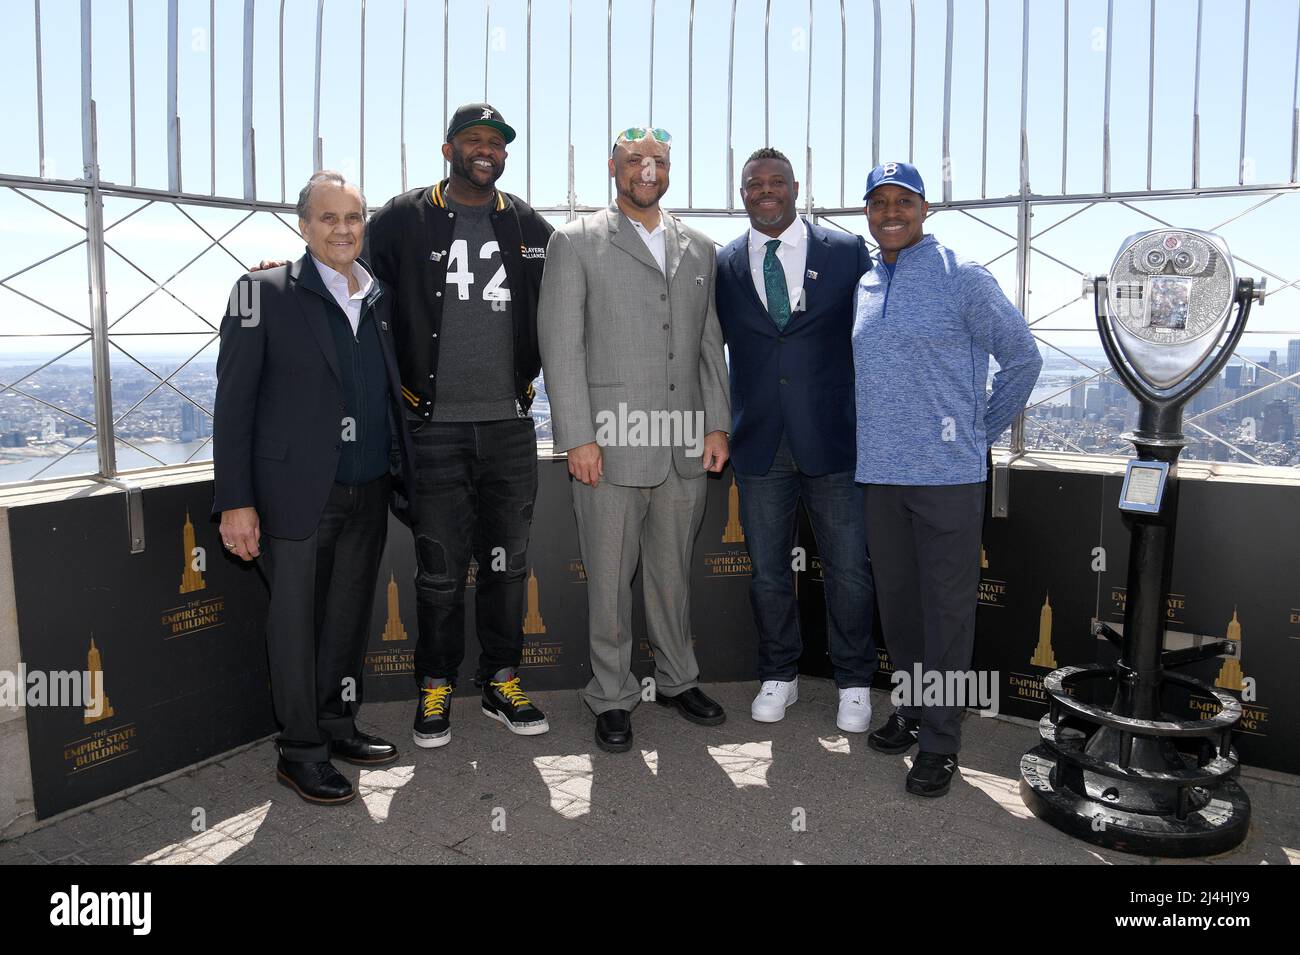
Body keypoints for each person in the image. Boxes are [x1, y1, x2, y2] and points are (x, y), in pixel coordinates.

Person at [213, 171, 415, 805]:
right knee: (296, 623)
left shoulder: (376, 295)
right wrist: (235, 501)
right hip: (294, 494)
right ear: (303, 226)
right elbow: (233, 404)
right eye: (328, 219)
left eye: (353, 218)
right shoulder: (261, 291)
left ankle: (336, 724)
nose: (343, 229)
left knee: (347, 619)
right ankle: (298, 750)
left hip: (367, 488)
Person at [363, 104, 556, 747]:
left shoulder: (527, 223)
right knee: (440, 571)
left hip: (509, 428)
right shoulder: (400, 218)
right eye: (473, 140)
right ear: (447, 149)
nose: (486, 150)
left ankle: (501, 679)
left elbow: (574, 295)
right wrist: (276, 273)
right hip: (432, 428)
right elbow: (347, 275)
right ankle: (436, 683)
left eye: (496, 143)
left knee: (508, 567)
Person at [537, 126, 732, 753]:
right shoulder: (574, 241)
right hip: (610, 443)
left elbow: (710, 346)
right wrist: (578, 438)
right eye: (634, 160)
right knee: (610, 578)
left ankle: (678, 680)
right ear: (613, 167)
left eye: (659, 161)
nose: (647, 170)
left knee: (673, 576)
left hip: (683, 441)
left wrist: (718, 424)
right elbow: (560, 348)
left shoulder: (700, 247)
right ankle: (613, 695)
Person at [853, 161, 1042, 797]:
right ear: (868, 214)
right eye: (878, 203)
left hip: (946, 480)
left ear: (925, 208)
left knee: (948, 615)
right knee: (901, 610)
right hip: (880, 477)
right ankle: (910, 710)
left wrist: (973, 434)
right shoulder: (865, 284)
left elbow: (1023, 357)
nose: (890, 212)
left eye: (903, 200)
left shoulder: (964, 278)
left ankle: (941, 739)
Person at [714, 147, 878, 730]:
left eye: (776, 181)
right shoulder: (724, 262)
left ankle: (855, 682)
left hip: (834, 437)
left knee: (848, 569)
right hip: (759, 442)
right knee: (767, 571)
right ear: (742, 194)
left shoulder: (847, 250)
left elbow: (878, 335)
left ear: (795, 186)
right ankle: (778, 674)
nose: (766, 190)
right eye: (754, 183)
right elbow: (712, 352)